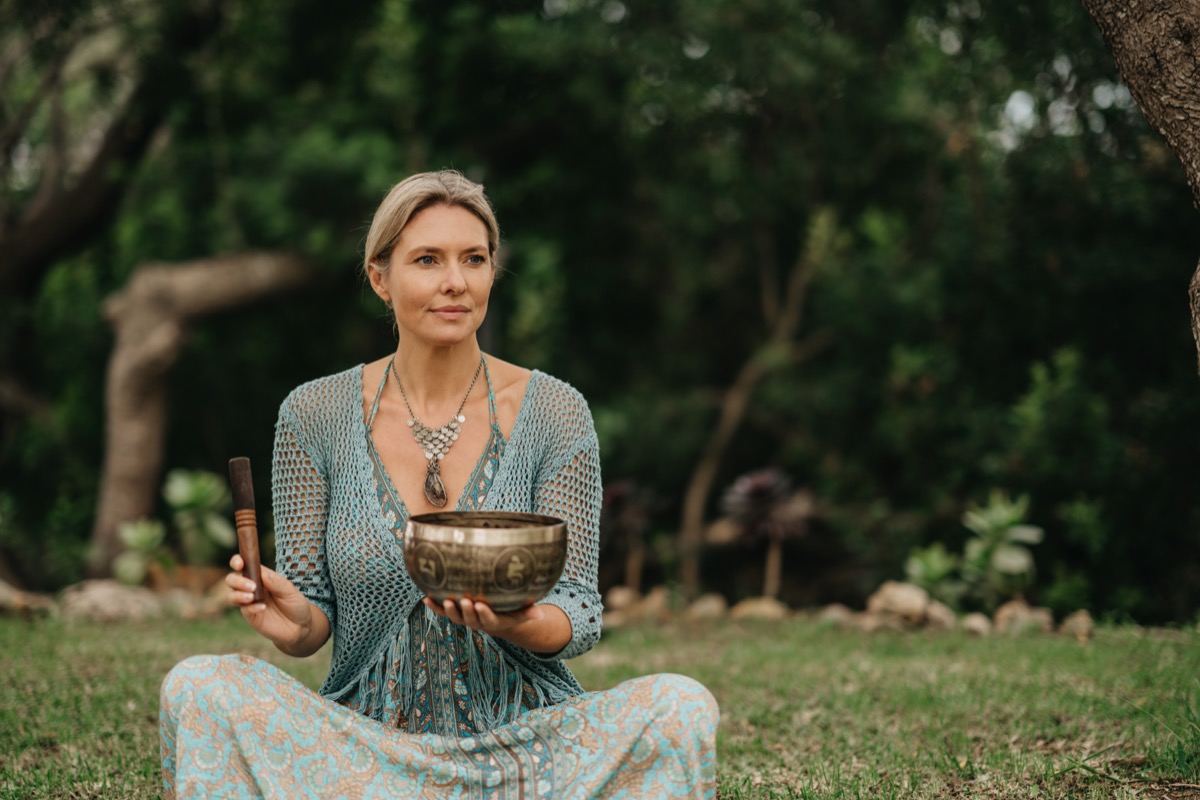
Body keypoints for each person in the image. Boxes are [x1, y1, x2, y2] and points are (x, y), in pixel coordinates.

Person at [159, 169, 719, 798]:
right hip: (366, 759)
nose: (455, 281)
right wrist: (293, 624)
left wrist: (518, 622)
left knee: (680, 705)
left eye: (473, 259)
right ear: (380, 277)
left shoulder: (556, 411)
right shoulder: (312, 414)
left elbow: (580, 613)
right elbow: (313, 614)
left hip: (528, 753)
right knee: (199, 686)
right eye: (427, 259)